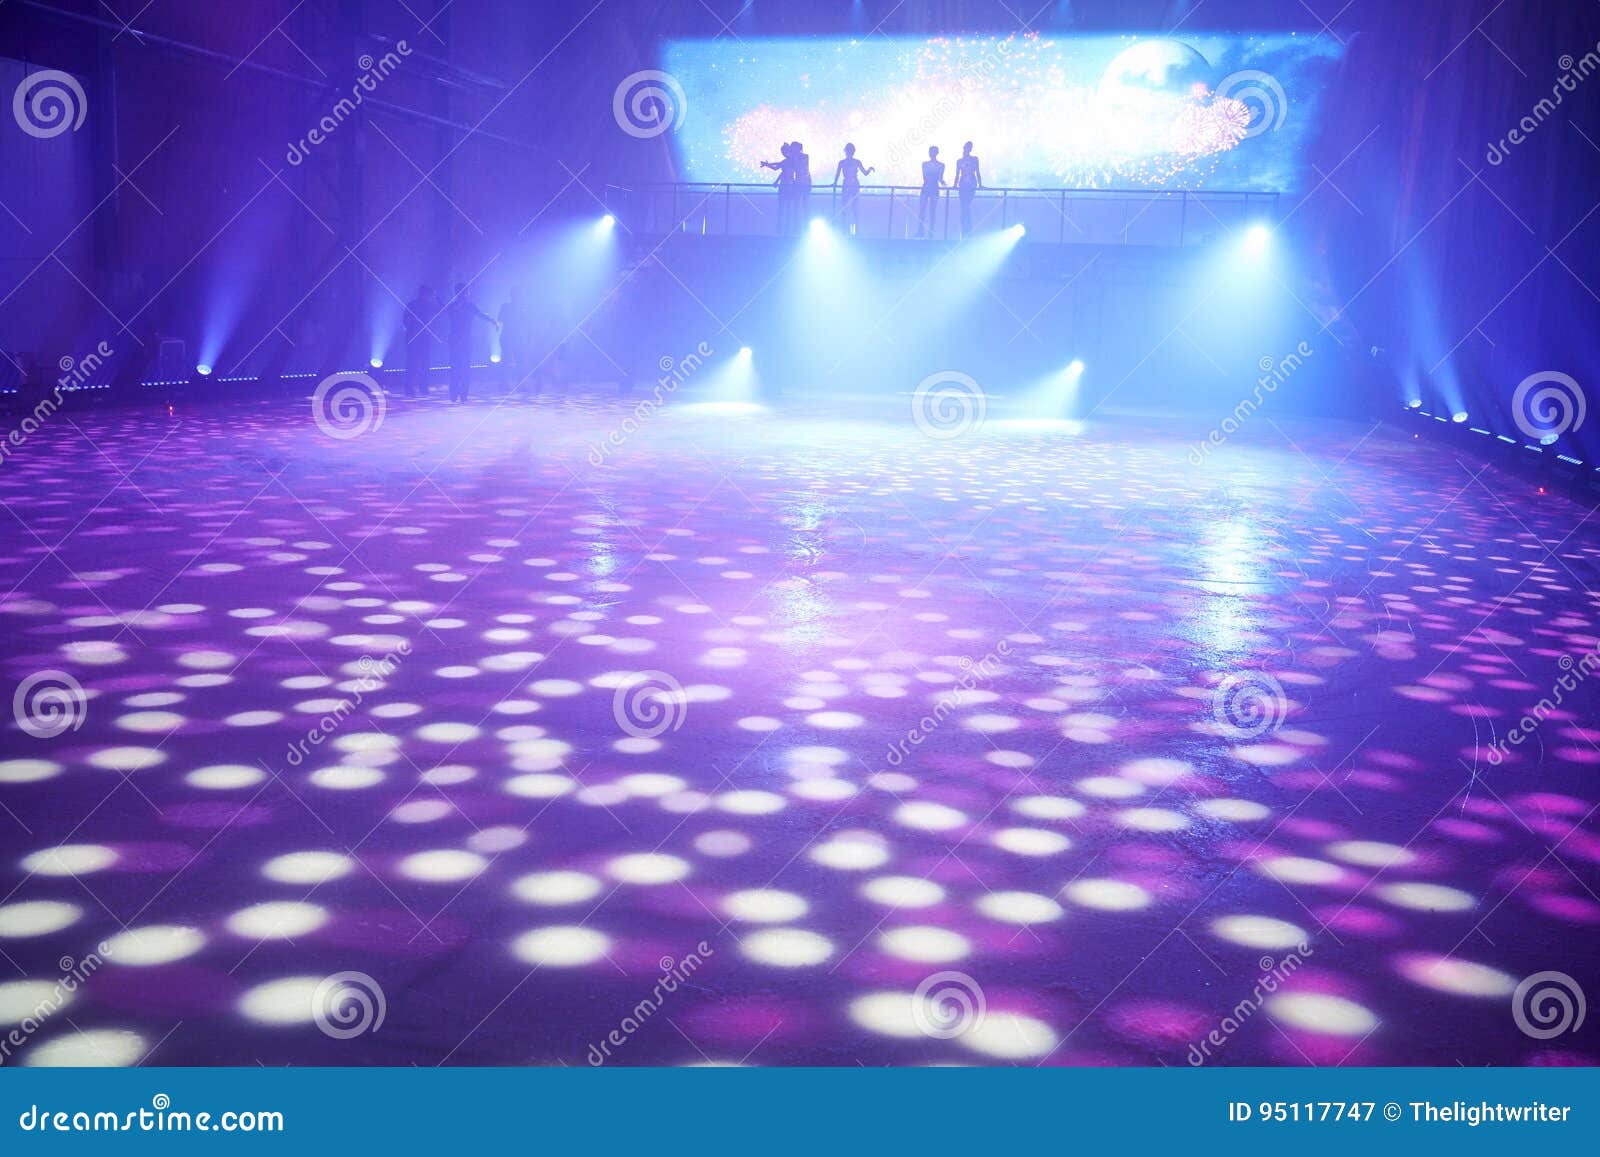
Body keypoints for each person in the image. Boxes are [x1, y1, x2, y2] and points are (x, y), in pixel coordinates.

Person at [445, 282, 498, 403]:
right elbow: (481, 315)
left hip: (462, 340)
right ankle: (457, 394)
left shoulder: (466, 306)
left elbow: (481, 315)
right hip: (458, 340)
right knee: (459, 367)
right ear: (464, 293)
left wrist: (492, 320)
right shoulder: (456, 306)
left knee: (460, 367)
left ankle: (460, 394)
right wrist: (492, 320)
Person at [403, 285, 439, 397]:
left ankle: (413, 388)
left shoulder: (413, 304)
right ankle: (421, 388)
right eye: (431, 294)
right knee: (420, 363)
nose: (431, 296)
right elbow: (443, 310)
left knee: (414, 363)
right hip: (419, 338)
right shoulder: (426, 305)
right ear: (425, 294)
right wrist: (437, 298)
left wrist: (409, 333)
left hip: (417, 338)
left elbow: (404, 321)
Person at [498, 286, 534, 395]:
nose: (520, 296)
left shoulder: (523, 307)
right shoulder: (506, 306)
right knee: (507, 361)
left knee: (521, 362)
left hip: (518, 338)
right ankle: (504, 383)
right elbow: (500, 319)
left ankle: (520, 385)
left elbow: (528, 322)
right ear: (513, 295)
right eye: (518, 294)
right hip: (508, 337)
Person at [833, 143, 874, 234]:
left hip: (854, 185)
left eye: (851, 151)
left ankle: (856, 229)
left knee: (854, 207)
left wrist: (870, 169)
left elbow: (865, 173)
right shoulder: (842, 163)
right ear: (846, 151)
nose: (849, 152)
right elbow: (837, 175)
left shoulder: (856, 162)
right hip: (847, 184)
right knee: (844, 206)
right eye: (848, 151)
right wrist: (834, 183)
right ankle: (844, 228)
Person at [761, 143, 796, 235]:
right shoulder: (790, 161)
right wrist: (768, 164)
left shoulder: (789, 161)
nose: (783, 154)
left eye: (784, 152)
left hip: (787, 186)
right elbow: (779, 167)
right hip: (787, 186)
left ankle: (782, 229)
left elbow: (778, 167)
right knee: (785, 207)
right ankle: (785, 229)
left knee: (784, 208)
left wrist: (767, 165)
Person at [954, 141, 982, 238]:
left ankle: (967, 230)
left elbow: (977, 172)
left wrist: (980, 184)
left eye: (969, 147)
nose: (968, 149)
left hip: (971, 185)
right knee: (964, 207)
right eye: (967, 147)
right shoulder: (959, 161)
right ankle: (966, 230)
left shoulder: (974, 159)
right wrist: (954, 185)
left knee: (966, 206)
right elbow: (957, 174)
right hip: (962, 185)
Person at [918, 145, 946, 239]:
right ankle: (921, 231)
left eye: (933, 151)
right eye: (930, 151)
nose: (931, 153)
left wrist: (942, 182)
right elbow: (925, 177)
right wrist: (938, 179)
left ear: (936, 153)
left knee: (932, 211)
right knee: (922, 211)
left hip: (933, 188)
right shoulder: (925, 164)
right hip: (927, 188)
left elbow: (940, 178)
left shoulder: (941, 165)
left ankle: (930, 232)